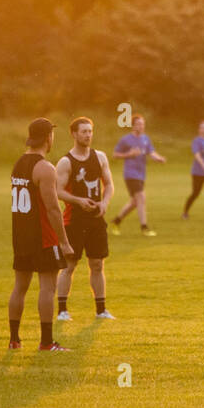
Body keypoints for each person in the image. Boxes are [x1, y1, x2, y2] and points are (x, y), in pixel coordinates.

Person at [8, 118, 75, 351]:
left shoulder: (18, 164)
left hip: (21, 235)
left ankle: (14, 340)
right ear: (48, 137)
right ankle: (46, 342)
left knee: (20, 287)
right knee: (47, 287)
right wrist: (64, 242)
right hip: (43, 236)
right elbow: (53, 208)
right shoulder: (45, 168)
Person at [54, 117, 117, 321]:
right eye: (84, 132)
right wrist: (78, 201)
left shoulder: (100, 157)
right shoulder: (66, 162)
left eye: (90, 131)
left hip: (96, 221)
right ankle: (62, 310)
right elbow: (57, 191)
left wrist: (105, 203)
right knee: (69, 265)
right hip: (74, 221)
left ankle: (101, 310)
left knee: (97, 264)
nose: (88, 135)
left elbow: (109, 184)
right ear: (73, 134)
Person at [110, 113, 166, 237]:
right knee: (141, 197)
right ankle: (144, 227)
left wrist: (159, 158)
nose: (141, 126)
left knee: (135, 202)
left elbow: (151, 152)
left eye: (143, 124)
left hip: (141, 175)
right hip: (130, 174)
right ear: (133, 126)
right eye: (139, 124)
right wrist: (129, 155)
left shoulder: (145, 139)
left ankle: (116, 221)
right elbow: (115, 155)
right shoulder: (126, 139)